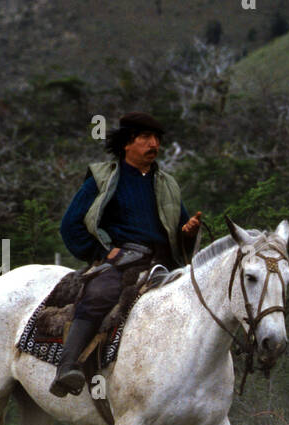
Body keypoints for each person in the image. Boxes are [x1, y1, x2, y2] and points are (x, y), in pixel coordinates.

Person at [52, 112, 203, 397]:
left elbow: (177, 230)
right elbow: (70, 224)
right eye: (145, 138)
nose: (153, 144)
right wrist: (101, 252)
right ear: (127, 143)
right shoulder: (102, 178)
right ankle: (67, 367)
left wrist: (188, 232)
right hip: (121, 263)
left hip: (163, 262)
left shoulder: (167, 183)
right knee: (99, 294)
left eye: (157, 138)